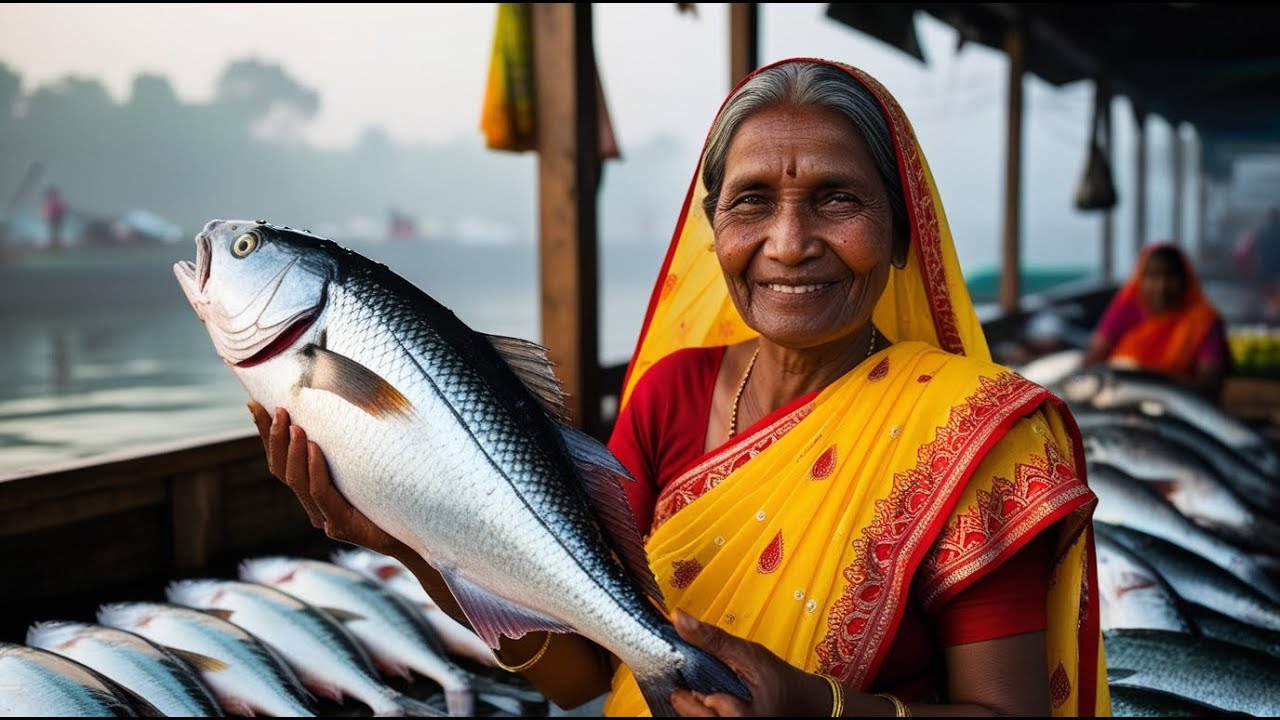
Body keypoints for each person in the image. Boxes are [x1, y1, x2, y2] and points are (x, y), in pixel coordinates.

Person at [249, 58, 1110, 717]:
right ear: (714, 232)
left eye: (836, 199)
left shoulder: (976, 434)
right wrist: (402, 536)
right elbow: (585, 670)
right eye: (751, 203)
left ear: (899, 234)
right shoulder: (671, 394)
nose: (789, 241)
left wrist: (814, 706)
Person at [1083, 242, 1231, 401]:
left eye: (1171, 276)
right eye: (1153, 276)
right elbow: (1093, 359)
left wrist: (1159, 389)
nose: (1162, 286)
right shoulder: (1125, 308)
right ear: (1140, 279)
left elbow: (1209, 380)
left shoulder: (1203, 320)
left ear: (1185, 280)